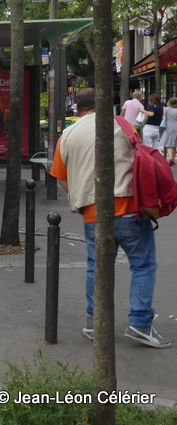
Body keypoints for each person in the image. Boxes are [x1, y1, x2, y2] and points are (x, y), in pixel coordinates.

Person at [50, 87, 170, 349]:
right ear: (105, 104)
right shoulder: (123, 126)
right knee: (142, 265)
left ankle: (95, 322)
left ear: (77, 108)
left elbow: (61, 176)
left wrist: (82, 202)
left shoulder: (67, 135)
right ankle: (139, 323)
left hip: (93, 213)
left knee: (97, 267)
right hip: (129, 208)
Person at [162, 97, 177, 166]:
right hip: (176, 128)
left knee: (168, 144)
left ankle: (170, 158)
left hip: (168, 128)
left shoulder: (166, 109)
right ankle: (173, 159)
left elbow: (163, 117)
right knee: (174, 144)